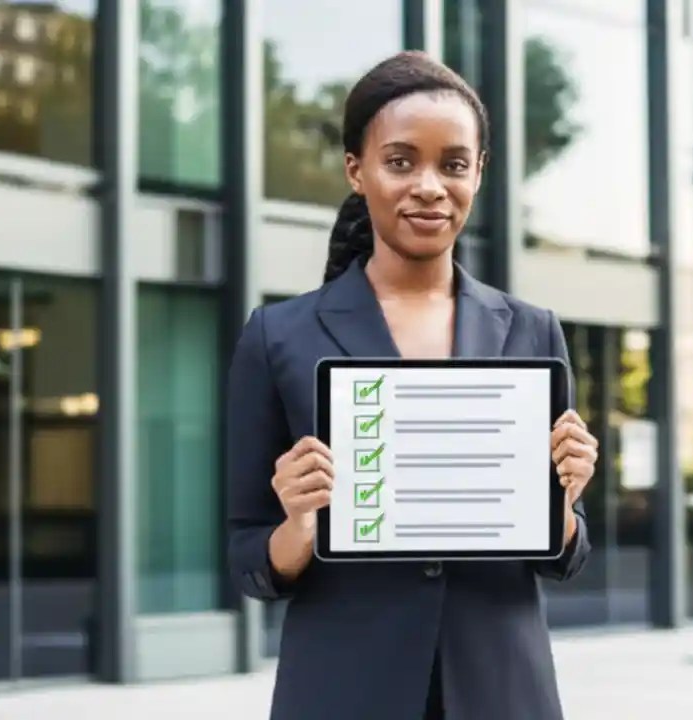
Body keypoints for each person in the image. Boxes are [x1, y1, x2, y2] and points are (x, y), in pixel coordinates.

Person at [225, 51, 598, 720]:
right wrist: (301, 523)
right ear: (356, 170)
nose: (429, 185)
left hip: (501, 690)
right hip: (343, 692)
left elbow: (562, 556)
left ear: (479, 173)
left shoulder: (533, 332)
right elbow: (250, 556)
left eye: (454, 164)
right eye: (401, 161)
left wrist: (564, 502)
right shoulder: (277, 336)